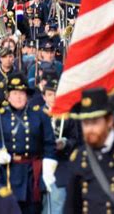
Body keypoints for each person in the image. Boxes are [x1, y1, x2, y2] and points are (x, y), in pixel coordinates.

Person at [0, 72, 57, 213]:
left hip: (32, 174)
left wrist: (48, 170)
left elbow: (49, 144)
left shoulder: (39, 116)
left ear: (27, 95)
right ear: (8, 96)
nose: (18, 97)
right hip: (7, 172)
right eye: (14, 93)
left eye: (21, 93)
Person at [40, 77, 81, 214]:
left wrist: (65, 144)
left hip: (61, 164)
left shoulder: (69, 114)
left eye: (56, 94)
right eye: (50, 94)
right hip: (39, 164)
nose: (53, 98)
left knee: (58, 201)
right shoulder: (37, 114)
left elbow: (75, 139)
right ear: (44, 96)